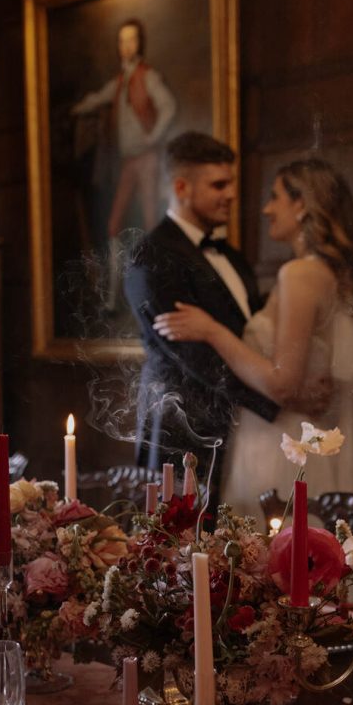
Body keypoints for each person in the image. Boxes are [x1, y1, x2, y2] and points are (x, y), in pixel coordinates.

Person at [153, 157, 353, 522]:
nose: (266, 208)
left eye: (275, 197)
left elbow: (282, 383)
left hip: (280, 447)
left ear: (302, 204)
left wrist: (212, 330)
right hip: (298, 437)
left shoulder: (300, 273)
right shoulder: (329, 272)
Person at [123, 131, 280, 501]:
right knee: (181, 545)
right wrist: (272, 401)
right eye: (218, 185)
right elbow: (192, 356)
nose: (231, 194)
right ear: (182, 187)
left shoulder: (236, 259)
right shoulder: (151, 255)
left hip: (240, 426)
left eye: (231, 183)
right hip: (181, 427)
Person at [72, 18, 176, 309]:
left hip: (148, 159)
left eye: (131, 40)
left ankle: (158, 293)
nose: (126, 46)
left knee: (151, 221)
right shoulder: (119, 82)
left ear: (139, 43)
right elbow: (96, 99)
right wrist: (75, 110)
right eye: (121, 41)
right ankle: (112, 298)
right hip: (129, 161)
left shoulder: (149, 76)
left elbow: (168, 106)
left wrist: (152, 137)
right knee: (114, 224)